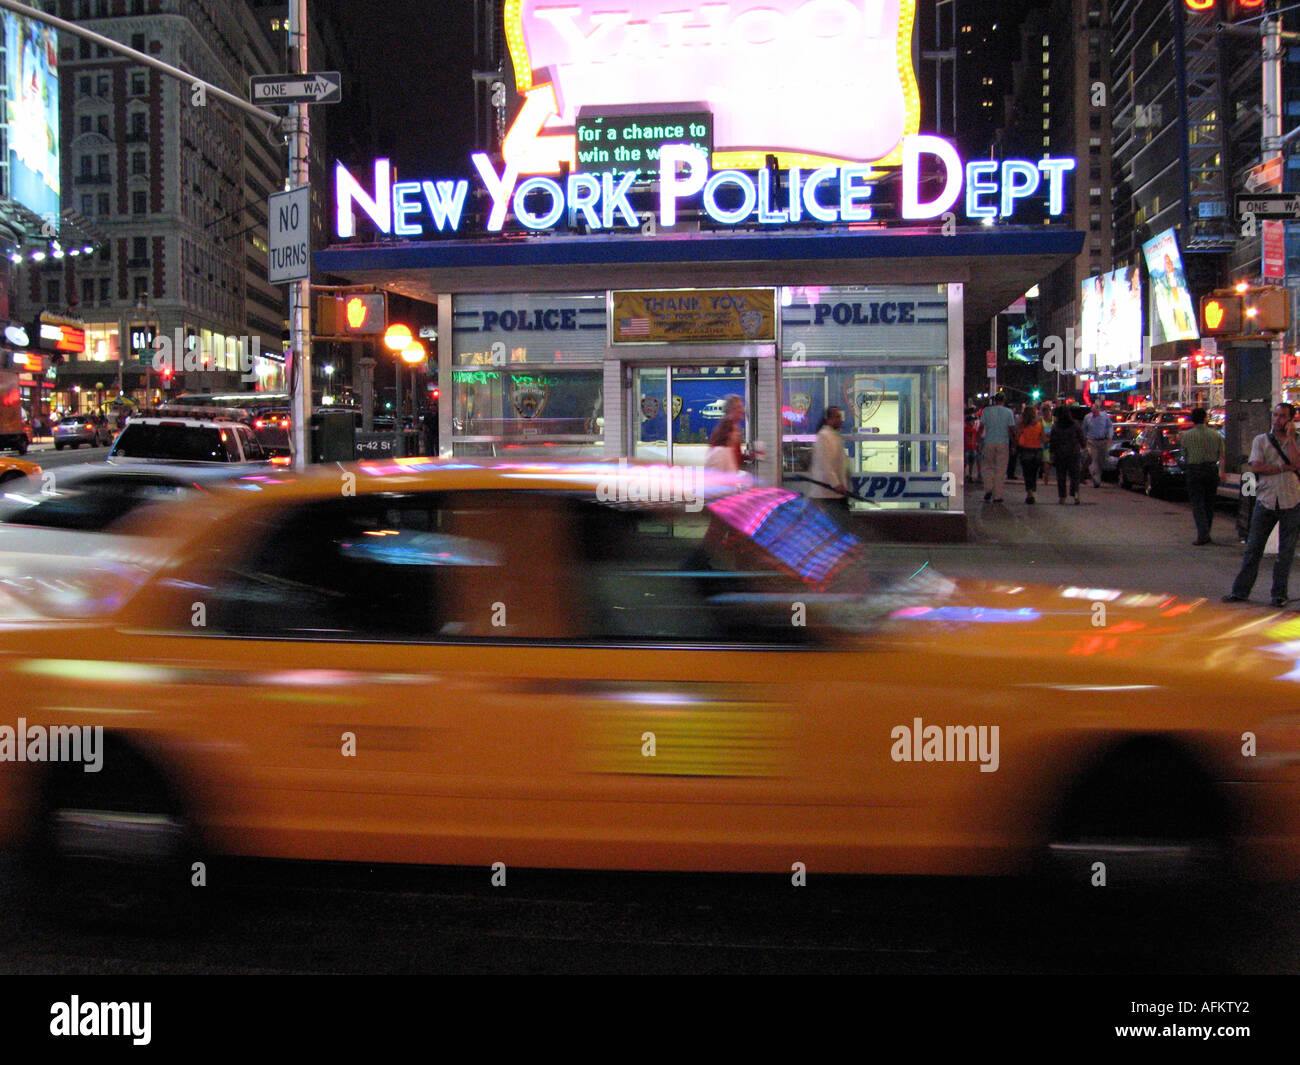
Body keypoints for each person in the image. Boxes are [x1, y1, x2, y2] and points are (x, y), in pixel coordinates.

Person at [1224, 403, 1300, 608]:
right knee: (1253, 548)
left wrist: (1292, 439)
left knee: (1286, 552)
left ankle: (1279, 594)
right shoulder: (1261, 440)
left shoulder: (1296, 441)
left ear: (1290, 419)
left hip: (1291, 500)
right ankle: (1240, 591)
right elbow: (1257, 467)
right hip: (1266, 500)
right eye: (1275, 415)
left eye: (1283, 416)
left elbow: (1298, 464)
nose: (1278, 420)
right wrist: (1284, 467)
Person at [1181, 407, 1225, 545]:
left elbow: (1185, 455)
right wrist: (1221, 472)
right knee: (1209, 503)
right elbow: (1222, 456)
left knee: (1197, 504)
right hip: (1211, 470)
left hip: (1194, 471)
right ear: (1205, 418)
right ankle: (1206, 533)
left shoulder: (1187, 436)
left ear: (1192, 419)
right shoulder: (1216, 435)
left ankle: (1203, 534)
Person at [807, 406, 850, 508]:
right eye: (837, 417)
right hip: (826, 494)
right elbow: (825, 464)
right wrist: (836, 484)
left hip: (835, 493)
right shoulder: (823, 436)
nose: (840, 420)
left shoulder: (834, 436)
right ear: (828, 420)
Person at [978, 394, 1016, 503]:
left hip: (989, 442)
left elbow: (981, 427)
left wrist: (977, 442)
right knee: (1000, 470)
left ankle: (988, 489)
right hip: (1003, 443)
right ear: (1004, 400)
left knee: (987, 467)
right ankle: (997, 495)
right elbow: (1011, 429)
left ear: (994, 401)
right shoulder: (1008, 412)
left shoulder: (986, 411)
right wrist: (1014, 444)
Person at [1049, 403, 1086, 504]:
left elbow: (1053, 441)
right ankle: (1076, 496)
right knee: (1075, 476)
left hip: (1060, 453)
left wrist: (1051, 453)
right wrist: (1083, 446)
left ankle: (1062, 497)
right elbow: (1081, 439)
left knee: (1061, 476)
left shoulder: (1056, 427)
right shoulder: (1075, 425)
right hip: (1073, 453)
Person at [1082, 401, 1113, 487]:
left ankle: (1097, 475)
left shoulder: (1105, 417)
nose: (1094, 412)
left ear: (1098, 409)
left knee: (1101, 460)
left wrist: (1109, 436)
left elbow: (1110, 426)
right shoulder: (1087, 418)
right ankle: (1096, 479)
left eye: (1095, 410)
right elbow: (1084, 429)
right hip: (1091, 442)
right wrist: (1084, 440)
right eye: (1092, 410)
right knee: (1094, 459)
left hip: (1102, 441)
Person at [1017, 405, 1044, 504]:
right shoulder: (1039, 424)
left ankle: (1029, 492)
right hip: (1037, 450)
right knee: (1034, 473)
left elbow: (1018, 435)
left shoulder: (1022, 425)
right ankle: (1032, 491)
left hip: (1025, 450)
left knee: (1027, 473)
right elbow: (1044, 438)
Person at [1038, 402, 1055, 486]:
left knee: (1050, 461)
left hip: (1052, 442)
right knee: (1046, 461)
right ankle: (1046, 476)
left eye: (1047, 411)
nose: (1046, 413)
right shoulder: (1040, 420)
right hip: (1043, 442)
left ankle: (1046, 474)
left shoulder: (1054, 420)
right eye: (1044, 411)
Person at [963, 408, 980, 483]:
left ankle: (970, 475)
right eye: (972, 421)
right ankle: (965, 475)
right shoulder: (965, 430)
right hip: (966, 448)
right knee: (965, 462)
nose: (973, 422)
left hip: (972, 448)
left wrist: (976, 447)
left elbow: (975, 439)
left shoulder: (973, 430)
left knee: (971, 463)